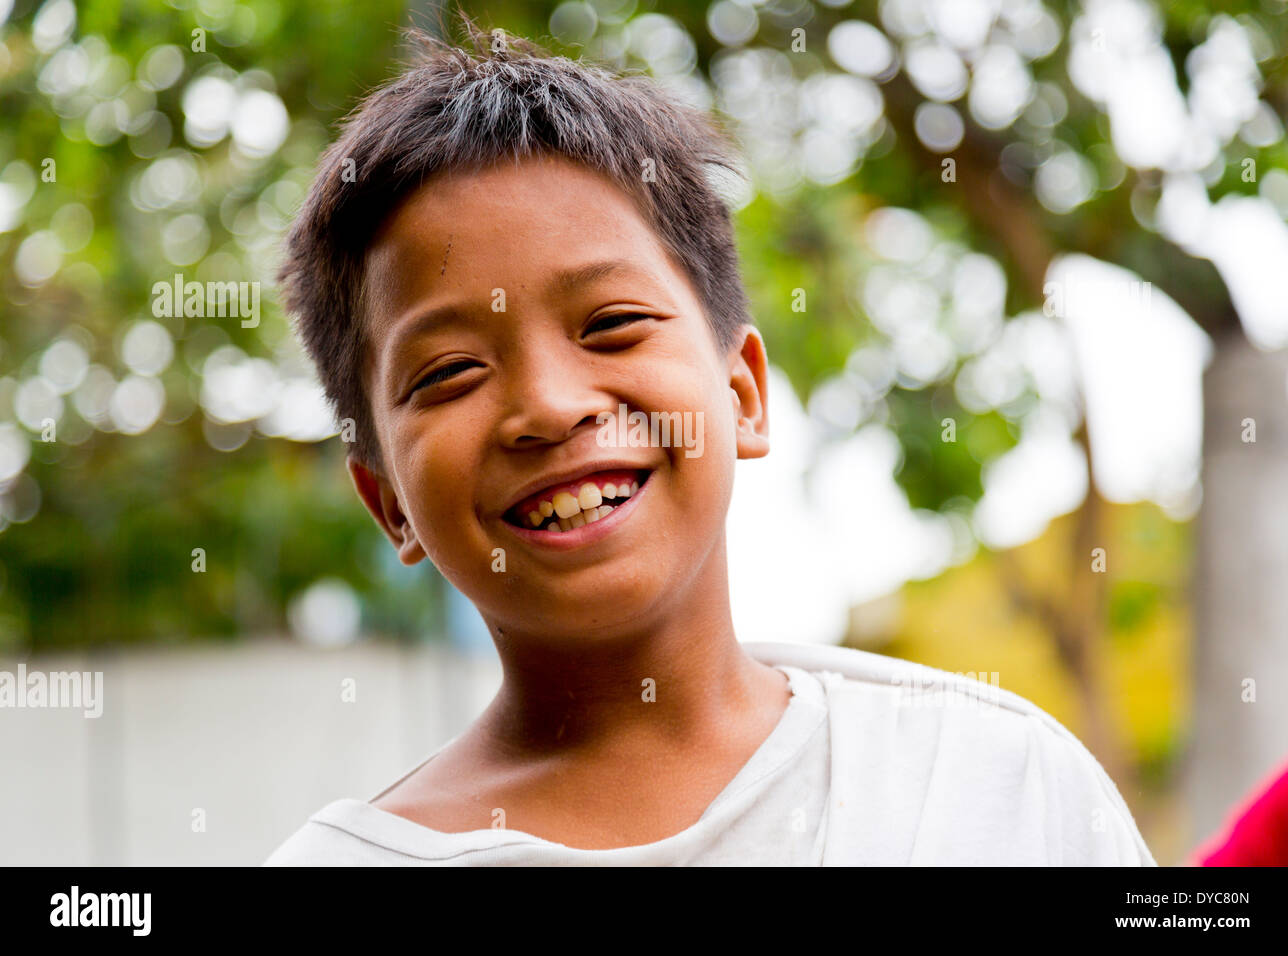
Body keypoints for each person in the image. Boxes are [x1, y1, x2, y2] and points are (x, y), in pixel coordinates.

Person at [263, 18, 1155, 866]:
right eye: (450, 373)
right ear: (388, 504)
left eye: (611, 323)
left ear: (744, 395)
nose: (548, 405)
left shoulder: (986, 782)